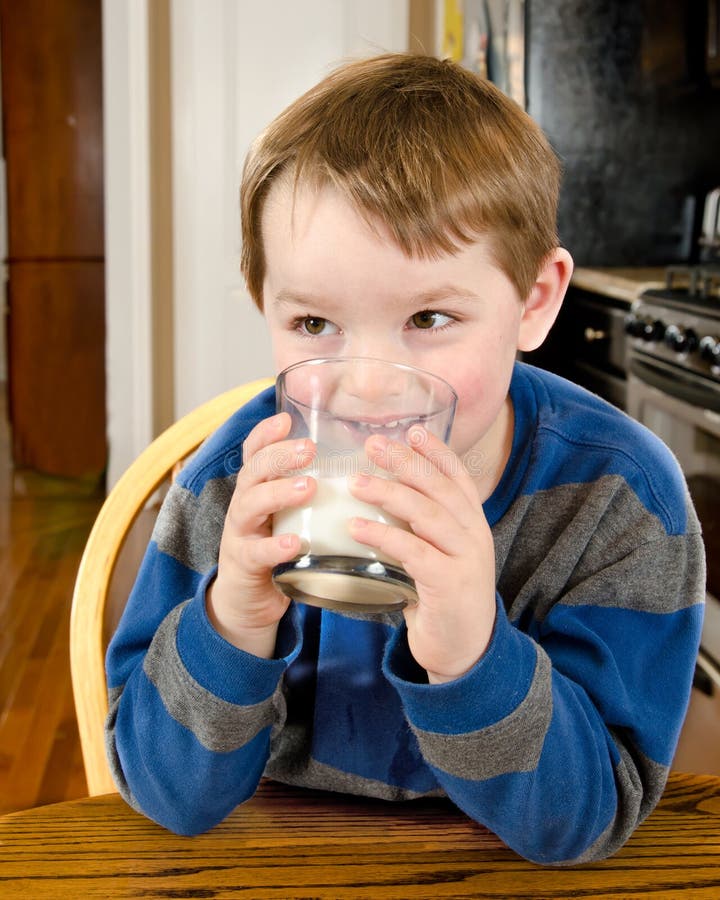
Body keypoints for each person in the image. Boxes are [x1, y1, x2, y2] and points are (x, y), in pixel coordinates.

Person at [105, 53, 705, 865]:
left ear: (534, 300)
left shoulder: (618, 502)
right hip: (279, 859)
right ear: (265, 303)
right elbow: (164, 795)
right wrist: (232, 621)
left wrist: (471, 648)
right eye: (315, 324)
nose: (364, 390)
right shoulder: (233, 486)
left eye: (428, 316)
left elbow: (585, 821)